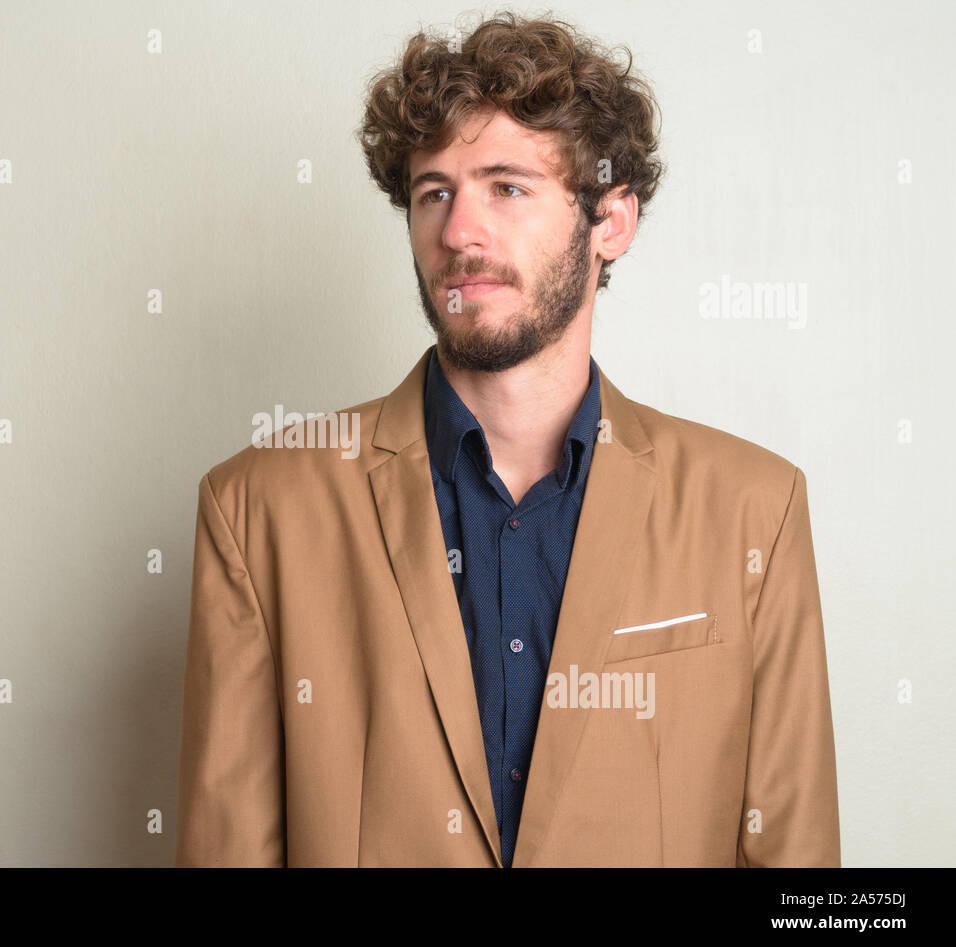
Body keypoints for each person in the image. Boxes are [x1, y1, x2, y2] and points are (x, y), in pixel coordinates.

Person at [174, 12, 839, 867]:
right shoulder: (257, 509)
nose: (459, 233)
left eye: (507, 187)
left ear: (611, 223)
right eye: (433, 192)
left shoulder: (756, 509)